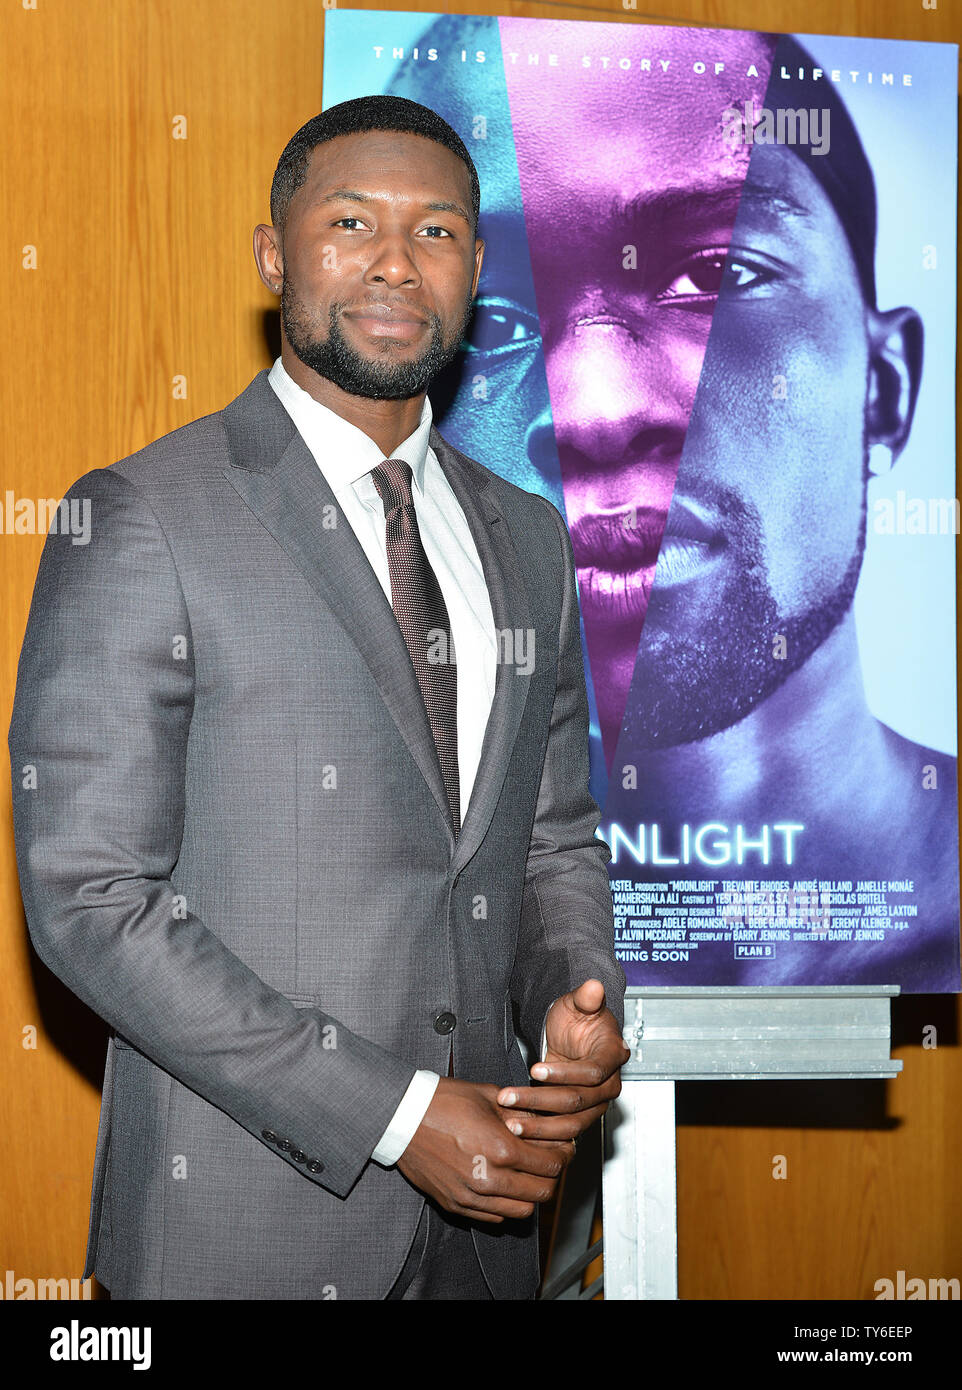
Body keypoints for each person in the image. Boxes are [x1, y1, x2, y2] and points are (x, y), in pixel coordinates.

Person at [7, 94, 629, 1301]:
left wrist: (573, 996)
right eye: (350, 222)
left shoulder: (531, 541)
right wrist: (399, 1117)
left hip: (497, 1240)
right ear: (273, 255)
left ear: (477, 267)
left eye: (437, 230)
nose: (396, 261)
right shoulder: (148, 515)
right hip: (240, 1236)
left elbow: (550, 839)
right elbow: (88, 896)